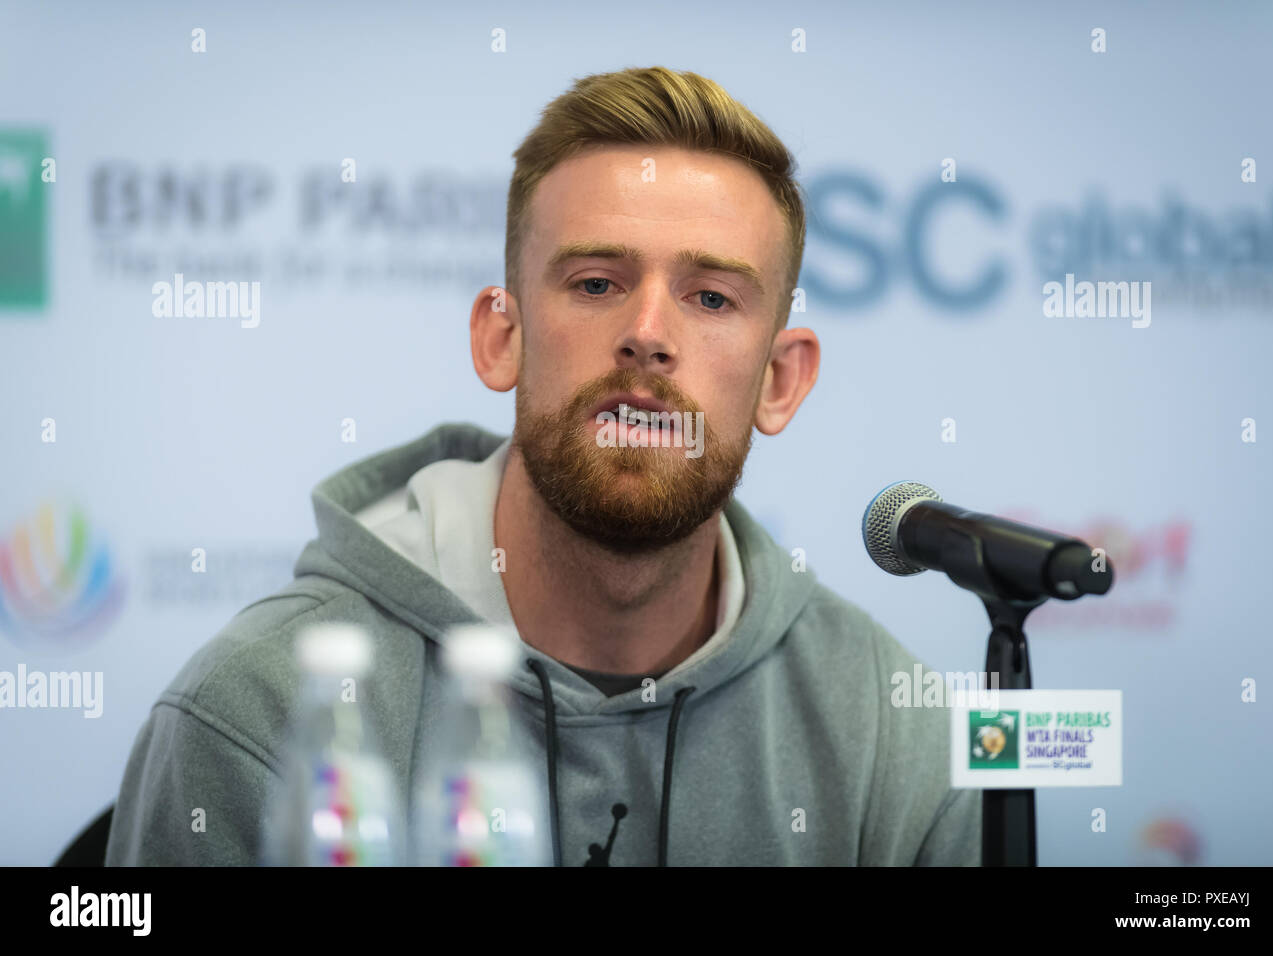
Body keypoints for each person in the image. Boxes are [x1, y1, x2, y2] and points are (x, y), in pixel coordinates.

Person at [106, 65, 981, 866]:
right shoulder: (257, 711)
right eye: (597, 283)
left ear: (780, 381)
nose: (648, 334)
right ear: (502, 337)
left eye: (710, 297)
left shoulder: (892, 737)